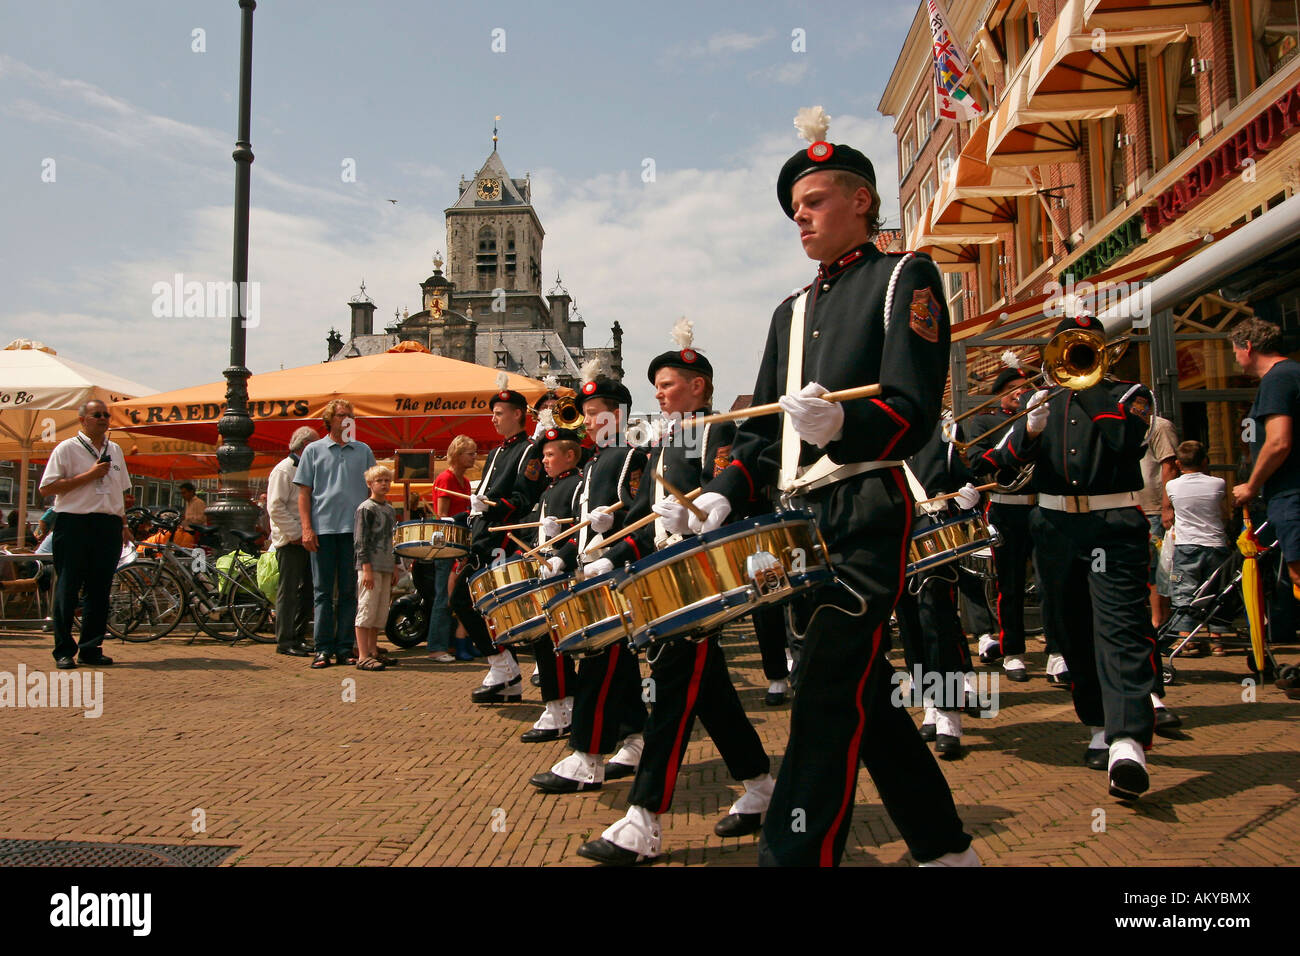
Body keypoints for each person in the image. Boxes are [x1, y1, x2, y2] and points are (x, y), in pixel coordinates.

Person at [685, 108, 975, 866]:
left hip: (868, 507)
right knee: (861, 695)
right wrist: (725, 489)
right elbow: (756, 431)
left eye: (813, 203)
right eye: (794, 211)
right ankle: (945, 851)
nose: (800, 220)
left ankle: (793, 857)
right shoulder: (790, 310)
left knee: (820, 692)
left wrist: (842, 428)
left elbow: (913, 408)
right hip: (799, 523)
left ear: (861, 202)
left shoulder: (904, 277)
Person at [576, 327, 774, 865]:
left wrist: (702, 511)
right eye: (657, 387)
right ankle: (760, 786)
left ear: (698, 386)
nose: (658, 394)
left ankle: (644, 819)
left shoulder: (717, 431)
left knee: (670, 691)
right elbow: (641, 522)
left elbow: (743, 490)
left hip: (702, 580)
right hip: (665, 582)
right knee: (707, 691)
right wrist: (609, 555)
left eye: (666, 385)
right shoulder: (661, 446)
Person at [987, 313, 1161, 799]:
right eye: (1068, 350)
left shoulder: (1128, 395)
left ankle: (1129, 740)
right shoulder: (1041, 402)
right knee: (1070, 629)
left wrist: (1089, 385)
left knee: (1120, 629)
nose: (1075, 359)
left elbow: (1126, 441)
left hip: (1111, 526)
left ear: (1104, 352)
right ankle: (1099, 725)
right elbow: (1003, 464)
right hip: (1055, 528)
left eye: (1085, 349)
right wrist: (1030, 428)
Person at [528, 371, 647, 793]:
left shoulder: (632, 457)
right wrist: (562, 559)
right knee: (619, 664)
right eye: (587, 414)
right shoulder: (595, 462)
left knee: (600, 661)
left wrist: (611, 552)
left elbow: (641, 520)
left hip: (615, 575)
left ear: (619, 415)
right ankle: (634, 738)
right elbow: (582, 530)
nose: (588, 421)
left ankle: (587, 756)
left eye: (596, 414)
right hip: (591, 572)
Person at [968, 366, 1068, 685]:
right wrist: (1010, 450)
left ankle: (1057, 653)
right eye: (1013, 387)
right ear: (1000, 393)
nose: (1019, 391)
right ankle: (1013, 652)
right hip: (1006, 509)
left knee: (1053, 584)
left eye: (1024, 386)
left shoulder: (1047, 415)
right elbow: (976, 461)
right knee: (1008, 585)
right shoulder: (984, 422)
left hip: (1045, 507)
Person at [453, 380, 547, 701]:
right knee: (469, 604)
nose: (493, 419)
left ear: (518, 414)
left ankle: (507, 670)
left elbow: (524, 497)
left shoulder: (529, 450)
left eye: (498, 413)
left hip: (504, 540)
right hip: (482, 538)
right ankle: (503, 670)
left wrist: (491, 504)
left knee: (487, 605)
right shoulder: (496, 451)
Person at [895, 423, 984, 758]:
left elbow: (967, 475)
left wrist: (968, 495)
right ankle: (930, 704)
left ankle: (949, 716)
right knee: (910, 626)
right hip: (895, 539)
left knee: (937, 620)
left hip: (934, 537)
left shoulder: (941, 431)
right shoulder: (876, 435)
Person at [38, 399, 132, 669]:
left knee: (100, 589)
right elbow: (48, 488)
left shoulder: (115, 450)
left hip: (108, 525)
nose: (103, 418)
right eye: (97, 415)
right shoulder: (66, 449)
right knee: (68, 587)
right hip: (75, 523)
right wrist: (90, 475)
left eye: (106, 414)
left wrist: (123, 524)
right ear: (82, 420)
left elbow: (118, 492)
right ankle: (64, 650)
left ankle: (91, 648)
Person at [295, 399, 377, 669]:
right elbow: (304, 493)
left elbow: (372, 492)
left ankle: (344, 646)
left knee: (348, 593)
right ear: (329, 420)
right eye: (341, 415)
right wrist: (307, 528)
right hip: (323, 529)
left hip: (354, 531)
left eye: (350, 416)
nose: (346, 420)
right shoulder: (313, 451)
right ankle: (323, 648)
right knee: (322, 592)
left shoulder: (363, 450)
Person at [520, 427, 585, 741]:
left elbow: (580, 530)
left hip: (563, 571)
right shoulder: (550, 488)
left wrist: (562, 556)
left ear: (569, 455)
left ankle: (561, 707)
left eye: (549, 455)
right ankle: (558, 705)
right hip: (544, 568)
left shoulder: (577, 485)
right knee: (543, 641)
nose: (544, 461)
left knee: (553, 641)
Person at [1231, 318, 1300, 598]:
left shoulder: (1277, 379)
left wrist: (1251, 486)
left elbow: (1278, 441)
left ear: (1247, 347)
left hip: (1291, 492)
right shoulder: (1292, 373)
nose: (1235, 358)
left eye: (1234, 351)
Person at [1165, 440, 1233, 651]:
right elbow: (1223, 509)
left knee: (1184, 591)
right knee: (1217, 591)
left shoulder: (1172, 485)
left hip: (1186, 545)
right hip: (1215, 544)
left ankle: (1186, 637)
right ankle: (1217, 638)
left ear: (1177, 463)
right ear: (1205, 461)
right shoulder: (1218, 483)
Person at [267, 426, 319, 657]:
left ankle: (298, 636)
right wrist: (297, 533)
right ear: (306, 446)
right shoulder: (284, 470)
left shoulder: (308, 470)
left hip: (308, 539)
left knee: (307, 590)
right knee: (288, 591)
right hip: (291, 542)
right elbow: (275, 507)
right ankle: (285, 639)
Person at [427, 435, 476, 662]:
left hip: (460, 545)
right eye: (470, 453)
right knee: (443, 596)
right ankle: (437, 647)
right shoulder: (446, 479)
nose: (474, 457)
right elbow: (442, 516)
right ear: (457, 455)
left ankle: (455, 642)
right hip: (446, 546)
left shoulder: (464, 482)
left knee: (457, 595)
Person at [354, 464, 397, 671]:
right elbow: (361, 541)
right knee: (367, 607)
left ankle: (373, 650)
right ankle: (362, 654)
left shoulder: (389, 509)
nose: (384, 484)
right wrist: (366, 567)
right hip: (370, 565)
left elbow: (392, 539)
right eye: (380, 481)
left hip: (385, 564)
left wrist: (395, 566)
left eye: (387, 480)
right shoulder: (365, 508)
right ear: (370, 484)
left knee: (379, 611)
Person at [1141, 415, 1180, 634]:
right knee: (1144, 566)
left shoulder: (1160, 426)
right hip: (1133, 506)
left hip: (1153, 508)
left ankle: (1160, 620)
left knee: (1157, 567)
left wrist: (1167, 506)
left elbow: (1170, 466)